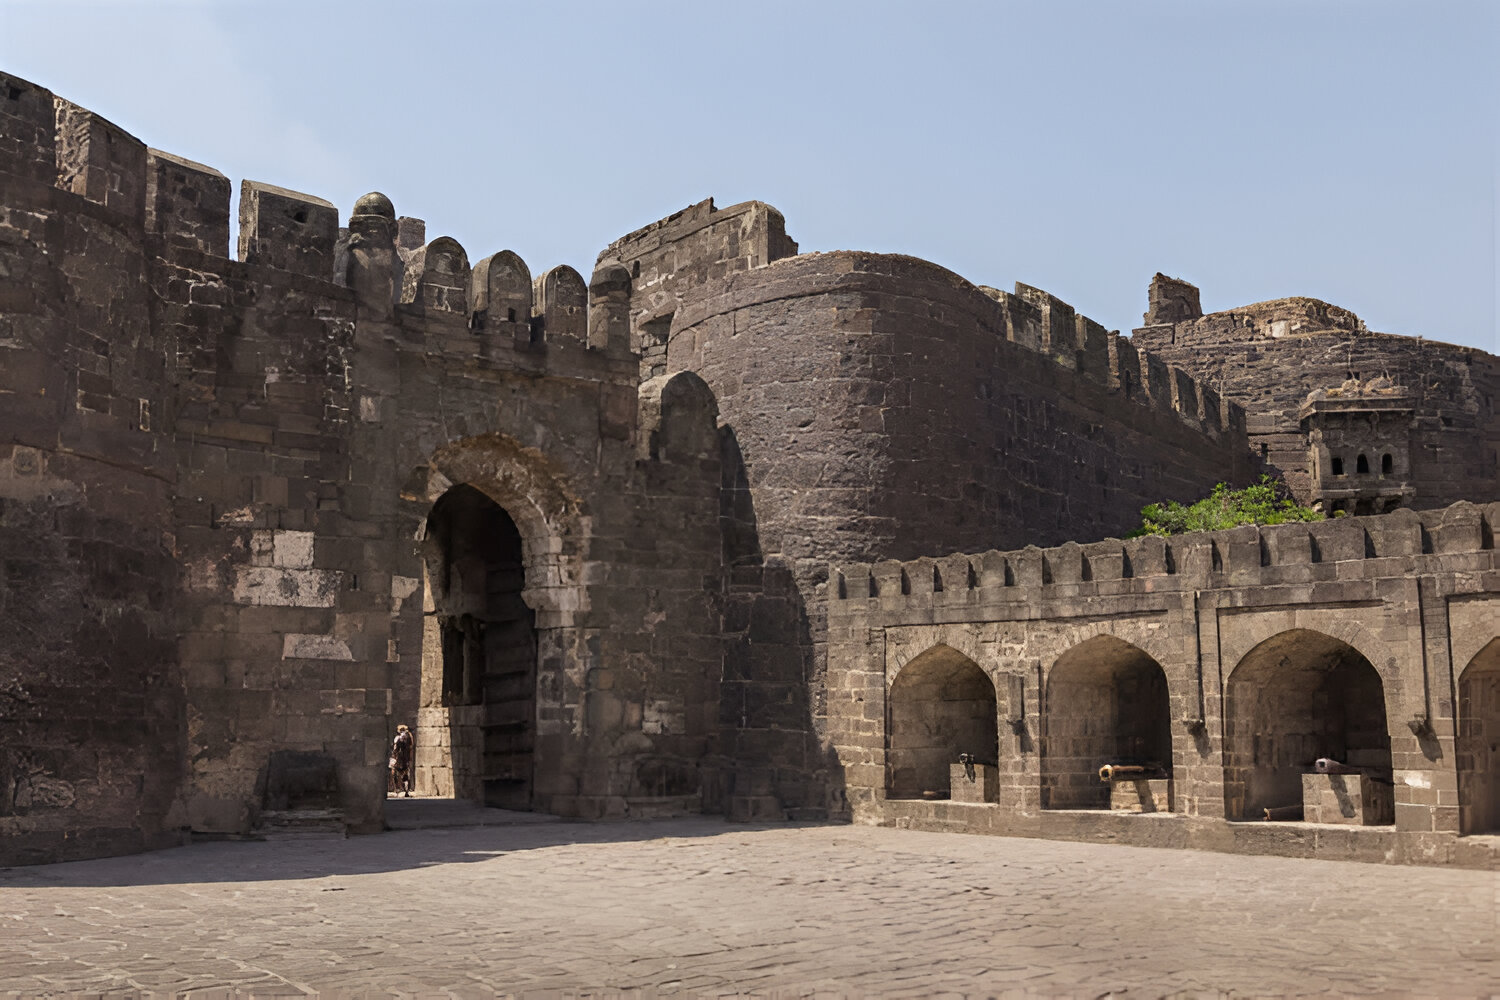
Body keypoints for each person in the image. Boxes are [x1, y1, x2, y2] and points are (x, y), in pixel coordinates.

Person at [390, 724, 414, 797]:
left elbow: (395, 748)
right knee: (405, 774)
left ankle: (397, 789)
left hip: (398, 757)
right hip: (406, 758)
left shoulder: (398, 738)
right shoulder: (409, 737)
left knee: (394, 772)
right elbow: (410, 747)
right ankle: (406, 790)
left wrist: (393, 754)